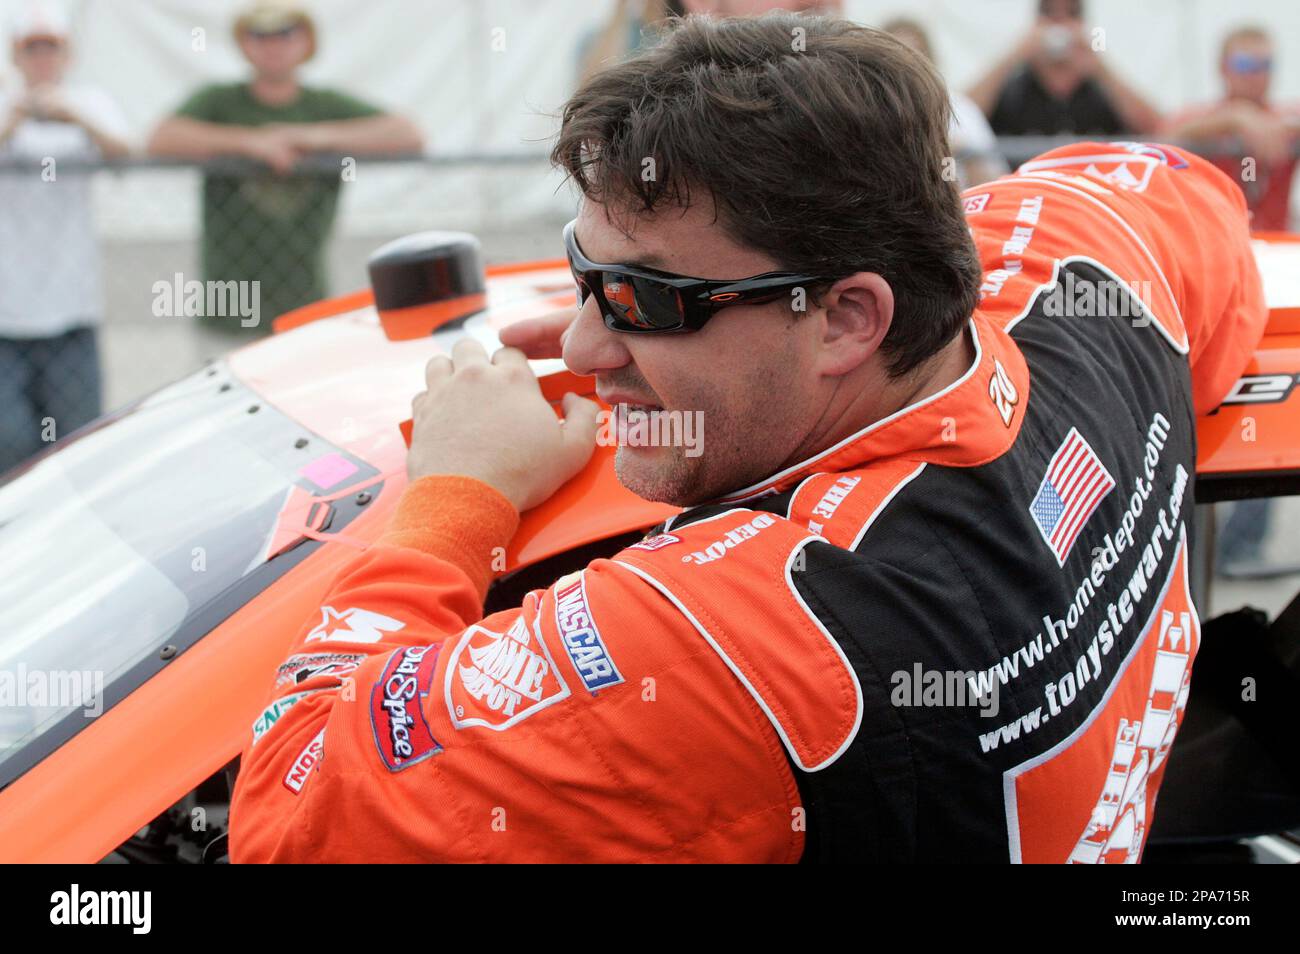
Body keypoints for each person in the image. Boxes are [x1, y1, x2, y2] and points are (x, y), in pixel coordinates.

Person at [229, 14, 1264, 862]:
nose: (583, 345)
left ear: (850, 320)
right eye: (581, 276)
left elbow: (288, 815)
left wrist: (454, 494)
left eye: (643, 297)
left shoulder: (722, 635)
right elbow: (1190, 197)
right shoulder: (1097, 280)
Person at [146, 1, 422, 352]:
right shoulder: (221, 101)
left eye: (284, 34)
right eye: (259, 35)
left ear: (306, 41)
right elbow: (161, 138)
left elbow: (407, 133)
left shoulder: (323, 105)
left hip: (303, 304)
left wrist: (309, 136)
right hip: (227, 308)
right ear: (244, 44)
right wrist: (251, 143)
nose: (272, 45)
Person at [1162, 26, 1300, 578]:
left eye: (1263, 64)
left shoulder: (1282, 119)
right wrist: (1236, 122)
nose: (1254, 75)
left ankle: (1239, 548)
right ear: (1223, 69)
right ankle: (1187, 552)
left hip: (1268, 286)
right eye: (1244, 64)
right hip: (1207, 284)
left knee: (1270, 411)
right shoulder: (1208, 119)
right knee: (1198, 410)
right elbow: (1161, 133)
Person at [0, 0, 129, 474]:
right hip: (6, 309)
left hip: (71, 303)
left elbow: (125, 154)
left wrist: (72, 117)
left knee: (77, 439)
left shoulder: (89, 102)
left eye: (49, 49)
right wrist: (16, 117)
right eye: (30, 50)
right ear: (15, 55)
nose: (41, 60)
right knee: (10, 442)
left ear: (65, 54)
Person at [967, 0, 1160, 137]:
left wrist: (1101, 67)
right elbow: (961, 120)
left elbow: (1157, 130)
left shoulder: (1105, 90)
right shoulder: (1011, 89)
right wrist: (1013, 56)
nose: (1059, 21)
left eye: (1072, 13)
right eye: (1049, 12)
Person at [883, 16, 1008, 189]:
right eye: (895, 56)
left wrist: (958, 155)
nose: (907, 66)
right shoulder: (870, 112)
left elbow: (992, 183)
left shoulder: (960, 109)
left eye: (915, 55)